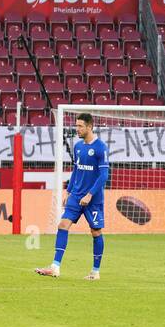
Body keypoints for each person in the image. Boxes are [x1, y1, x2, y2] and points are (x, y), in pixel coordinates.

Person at [36, 112, 107, 279]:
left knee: (96, 231)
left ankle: (95, 272)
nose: (77, 129)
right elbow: (76, 170)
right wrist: (68, 191)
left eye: (80, 126)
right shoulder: (78, 147)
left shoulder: (100, 148)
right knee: (62, 225)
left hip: (93, 199)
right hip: (76, 195)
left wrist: (90, 195)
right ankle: (55, 267)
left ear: (90, 127)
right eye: (76, 125)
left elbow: (103, 176)